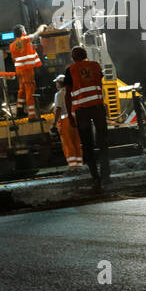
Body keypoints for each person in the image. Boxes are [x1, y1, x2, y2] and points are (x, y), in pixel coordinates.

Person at [65, 46, 109, 190]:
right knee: (103, 142)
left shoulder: (70, 70)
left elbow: (67, 94)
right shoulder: (95, 66)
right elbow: (100, 83)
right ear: (85, 55)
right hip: (97, 108)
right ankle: (106, 174)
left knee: (87, 144)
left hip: (82, 112)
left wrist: (70, 115)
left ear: (73, 58)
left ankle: (95, 177)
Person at [8, 23, 45, 117]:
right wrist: (42, 27)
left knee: (22, 90)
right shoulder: (24, 39)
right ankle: (32, 115)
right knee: (30, 91)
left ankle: (19, 111)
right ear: (23, 31)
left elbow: (15, 57)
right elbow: (35, 35)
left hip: (19, 70)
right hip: (27, 70)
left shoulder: (12, 45)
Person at [52, 75, 83, 169]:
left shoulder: (59, 94)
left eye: (57, 82)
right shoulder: (73, 92)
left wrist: (54, 123)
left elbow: (58, 109)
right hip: (75, 119)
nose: (56, 84)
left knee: (68, 143)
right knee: (76, 141)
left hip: (65, 121)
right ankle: (79, 163)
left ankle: (73, 166)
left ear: (60, 83)